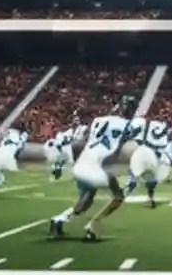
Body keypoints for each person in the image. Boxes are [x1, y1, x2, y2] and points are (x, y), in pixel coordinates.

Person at [48, 95, 138, 241]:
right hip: (101, 163)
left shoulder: (99, 120)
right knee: (118, 196)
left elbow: (78, 143)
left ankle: (59, 219)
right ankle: (92, 225)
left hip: (86, 159)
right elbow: (129, 151)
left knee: (86, 200)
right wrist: (132, 174)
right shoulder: (130, 126)